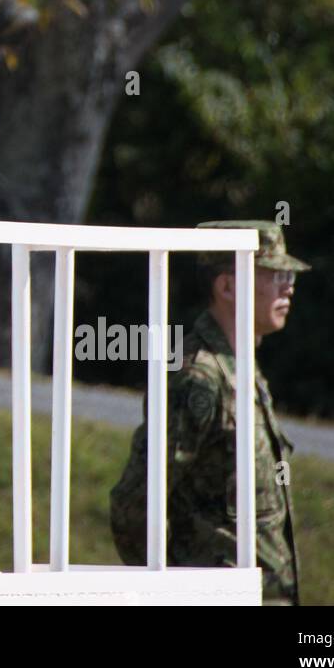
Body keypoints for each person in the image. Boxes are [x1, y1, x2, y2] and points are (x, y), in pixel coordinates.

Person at [108, 220, 310, 604]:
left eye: (289, 274)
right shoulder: (198, 376)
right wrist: (171, 592)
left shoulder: (240, 364)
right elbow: (134, 502)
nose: (290, 285)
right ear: (228, 286)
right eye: (275, 274)